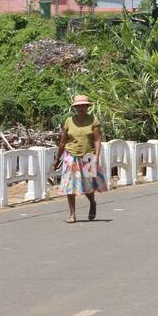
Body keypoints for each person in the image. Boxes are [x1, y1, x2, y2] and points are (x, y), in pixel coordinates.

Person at [56, 95, 106, 224]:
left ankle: (92, 203)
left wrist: (96, 156)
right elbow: (63, 141)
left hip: (88, 157)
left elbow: (97, 139)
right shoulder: (69, 121)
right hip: (71, 156)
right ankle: (72, 214)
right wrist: (57, 158)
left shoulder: (93, 120)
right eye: (78, 106)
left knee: (88, 186)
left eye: (83, 106)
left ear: (87, 107)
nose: (81, 108)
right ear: (75, 108)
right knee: (70, 186)